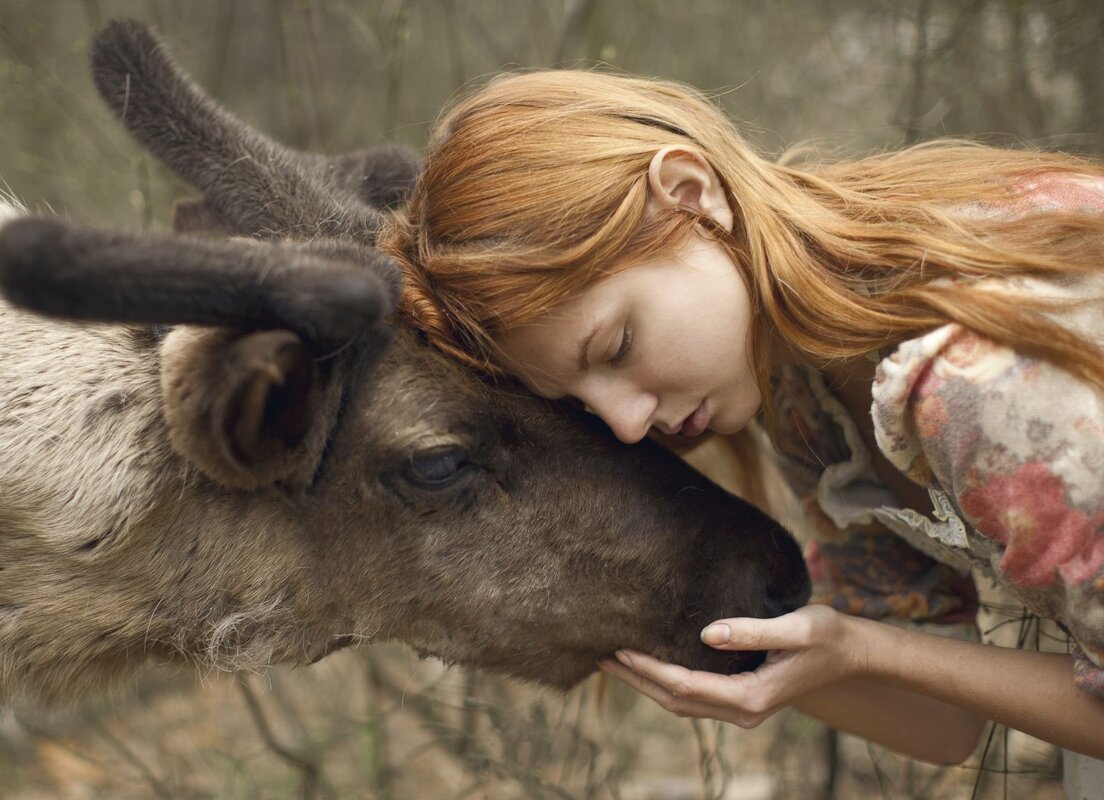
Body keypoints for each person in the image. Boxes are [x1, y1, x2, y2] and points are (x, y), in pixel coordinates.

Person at [379, 69, 1104, 768]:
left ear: (692, 197)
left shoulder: (976, 388)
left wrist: (864, 650)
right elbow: (947, 728)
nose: (627, 425)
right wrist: (707, 645)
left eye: (617, 346)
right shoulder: (803, 402)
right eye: (579, 402)